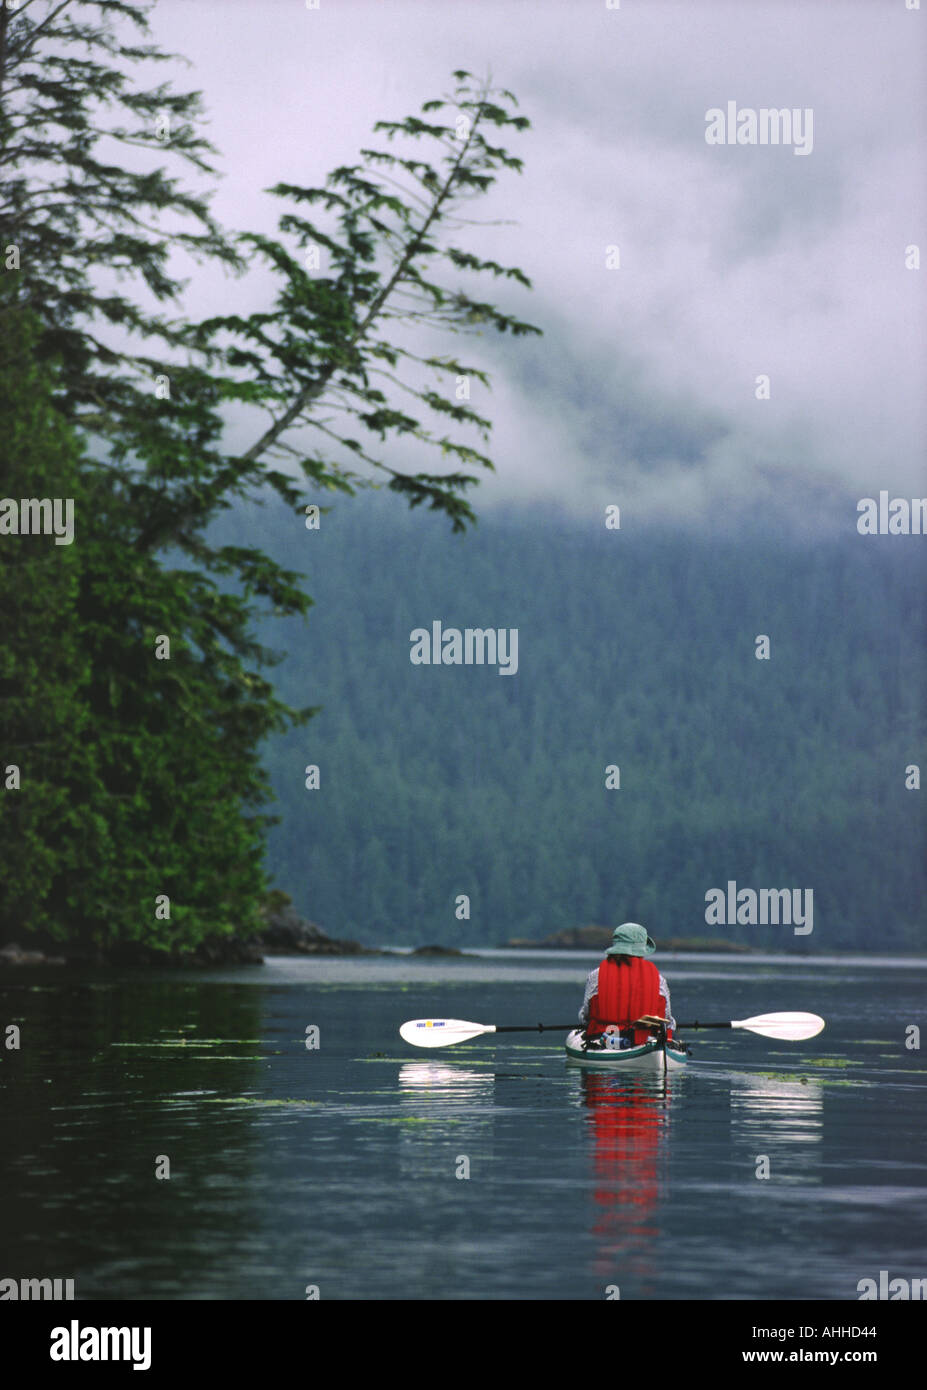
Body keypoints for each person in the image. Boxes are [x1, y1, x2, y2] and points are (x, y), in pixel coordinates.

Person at [579, 922, 675, 1049]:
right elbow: (667, 1019)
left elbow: (586, 1015)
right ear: (642, 949)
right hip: (644, 1041)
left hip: (603, 1038)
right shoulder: (659, 979)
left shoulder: (596, 976)